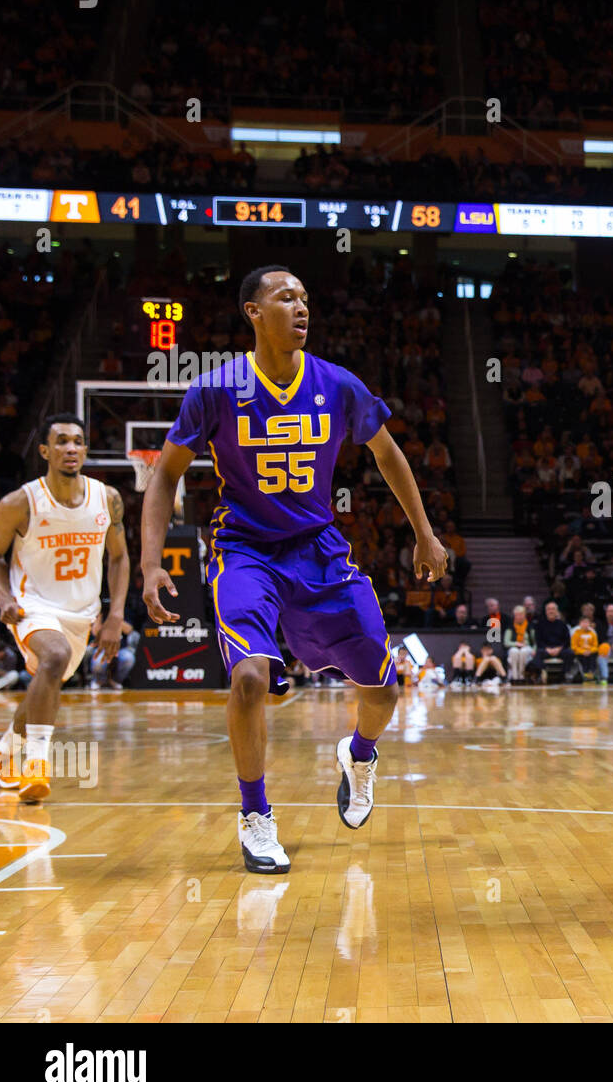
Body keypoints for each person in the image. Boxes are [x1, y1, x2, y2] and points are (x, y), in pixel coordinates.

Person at [140, 266, 449, 874]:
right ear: (254, 313)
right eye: (286, 298)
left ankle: (359, 755)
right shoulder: (216, 389)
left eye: (306, 298)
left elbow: (388, 455)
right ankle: (256, 815)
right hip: (245, 552)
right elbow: (165, 475)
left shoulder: (339, 385)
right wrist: (151, 562)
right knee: (250, 679)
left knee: (384, 689)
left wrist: (425, 532)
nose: (301, 307)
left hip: (319, 550)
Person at [0, 415, 130, 801]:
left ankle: (4, 752)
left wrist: (115, 613)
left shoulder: (107, 498)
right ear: (44, 451)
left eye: (77, 442)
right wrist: (5, 599)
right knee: (53, 658)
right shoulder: (19, 503)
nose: (70, 449)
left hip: (81, 612)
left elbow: (119, 559)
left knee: (48, 682)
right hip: (31, 606)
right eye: (61, 442)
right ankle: (36, 763)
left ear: (85, 450)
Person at [534, 599, 577, 683]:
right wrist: (547, 649)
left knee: (570, 653)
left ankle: (563, 676)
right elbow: (538, 640)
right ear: (546, 611)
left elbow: (567, 641)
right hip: (546, 649)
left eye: (553, 609)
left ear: (557, 611)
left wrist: (559, 649)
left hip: (560, 649)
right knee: (537, 654)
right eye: (549, 609)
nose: (551, 611)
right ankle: (541, 675)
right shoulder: (540, 624)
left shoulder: (563, 624)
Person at [504, 604, 534, 682]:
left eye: (521, 614)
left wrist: (534, 649)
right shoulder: (510, 626)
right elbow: (506, 642)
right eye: (517, 615)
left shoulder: (530, 626)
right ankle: (514, 677)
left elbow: (535, 641)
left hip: (527, 648)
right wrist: (516, 644)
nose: (519, 617)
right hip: (514, 647)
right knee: (514, 651)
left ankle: (522, 677)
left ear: (525, 615)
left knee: (523, 652)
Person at [570, 614, 599, 681]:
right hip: (580, 653)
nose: (585, 624)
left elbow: (595, 646)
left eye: (587, 622)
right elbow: (574, 646)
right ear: (579, 624)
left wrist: (590, 651)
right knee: (583, 660)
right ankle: (586, 675)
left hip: (591, 652)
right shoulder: (576, 634)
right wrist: (583, 652)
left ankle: (592, 673)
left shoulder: (592, 633)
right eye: (583, 622)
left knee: (593, 658)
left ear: (590, 624)